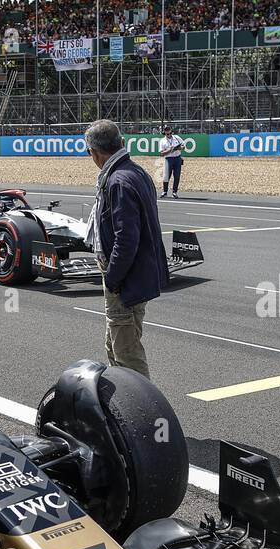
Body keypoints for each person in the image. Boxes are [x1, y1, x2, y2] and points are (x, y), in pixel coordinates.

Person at [85, 119, 170, 380]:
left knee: (126, 350)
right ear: (121, 143)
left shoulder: (118, 180)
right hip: (133, 274)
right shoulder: (135, 172)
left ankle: (142, 409)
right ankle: (122, 399)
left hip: (125, 278)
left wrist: (113, 277)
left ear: (95, 153)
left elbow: (126, 238)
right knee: (115, 341)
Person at [158, 125, 186, 199]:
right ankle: (165, 191)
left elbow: (183, 146)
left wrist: (179, 148)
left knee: (177, 176)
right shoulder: (162, 141)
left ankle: (174, 192)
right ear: (164, 133)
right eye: (167, 133)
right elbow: (161, 153)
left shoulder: (176, 137)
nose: (169, 134)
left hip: (177, 158)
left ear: (171, 131)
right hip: (168, 159)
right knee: (166, 176)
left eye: (170, 133)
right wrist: (170, 150)